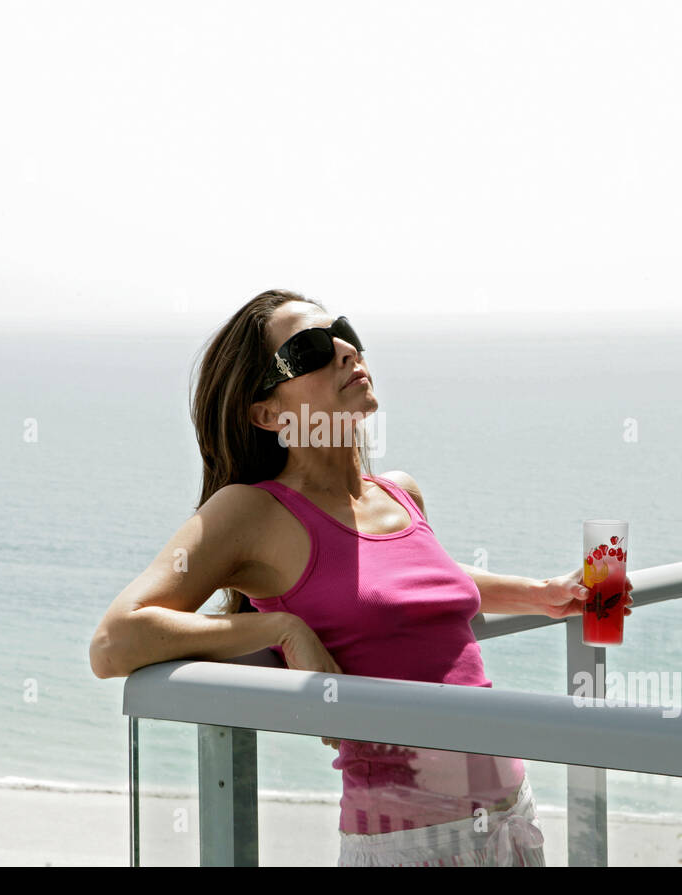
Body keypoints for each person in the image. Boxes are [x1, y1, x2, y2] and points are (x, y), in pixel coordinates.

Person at [89, 289, 633, 866]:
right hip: (405, 841)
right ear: (268, 414)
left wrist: (541, 594)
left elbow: (410, 582)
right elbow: (114, 642)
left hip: (510, 819)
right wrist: (281, 628)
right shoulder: (248, 512)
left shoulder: (399, 493)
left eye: (344, 332)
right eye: (310, 349)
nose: (345, 350)